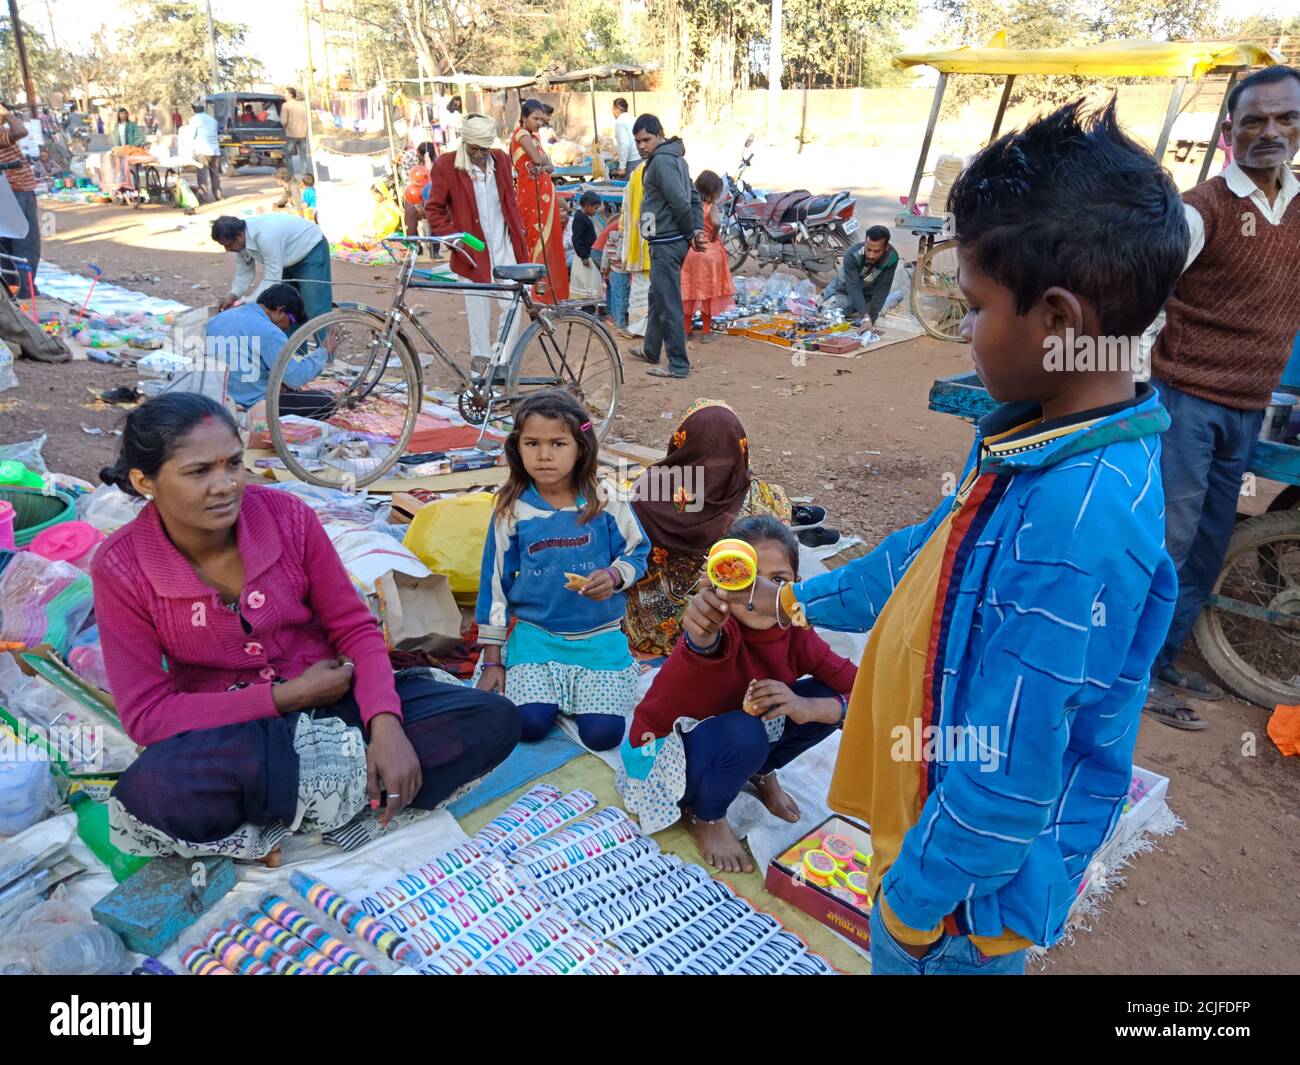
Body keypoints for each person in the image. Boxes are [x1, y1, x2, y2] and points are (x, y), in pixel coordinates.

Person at [685, 100, 1186, 975]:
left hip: (958, 907)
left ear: (1059, 321)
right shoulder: (1039, 433)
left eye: (975, 304)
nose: (961, 328)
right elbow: (933, 546)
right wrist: (796, 597)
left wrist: (914, 909)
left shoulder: (1074, 526)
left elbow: (1008, 765)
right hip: (937, 844)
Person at [91, 393, 519, 860]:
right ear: (144, 480)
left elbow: (354, 629)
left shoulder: (286, 517)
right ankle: (346, 800)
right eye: (199, 471)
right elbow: (147, 715)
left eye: (234, 463)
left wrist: (385, 725)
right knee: (151, 791)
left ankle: (324, 805)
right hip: (239, 732)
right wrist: (284, 698)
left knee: (491, 718)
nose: (226, 485)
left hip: (339, 707)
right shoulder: (122, 567)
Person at [1144, 65, 1300, 729]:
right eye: (1254, 120)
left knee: (1209, 540)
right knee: (1170, 539)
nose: (1270, 132)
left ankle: (1167, 656)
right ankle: (1137, 672)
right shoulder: (1199, 207)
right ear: (1228, 130)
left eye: (1285, 119)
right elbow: (1146, 294)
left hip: (1247, 403)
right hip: (1185, 398)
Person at [619, 516, 856, 867]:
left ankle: (760, 771)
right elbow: (703, 646)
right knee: (747, 731)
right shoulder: (717, 628)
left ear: (798, 586)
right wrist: (700, 635)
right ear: (720, 584)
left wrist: (813, 708)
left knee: (820, 698)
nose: (759, 597)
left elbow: (863, 689)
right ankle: (706, 815)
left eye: (779, 581)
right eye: (747, 580)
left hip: (728, 738)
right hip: (660, 753)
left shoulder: (797, 633)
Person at [475, 390, 649, 752]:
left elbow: (637, 552)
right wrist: (493, 661)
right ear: (516, 447)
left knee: (603, 736)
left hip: (599, 638)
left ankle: (589, 689)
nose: (543, 455)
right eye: (532, 443)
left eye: (557, 443)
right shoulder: (512, 510)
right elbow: (495, 585)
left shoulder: (606, 500)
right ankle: (541, 690)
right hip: (537, 636)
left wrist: (615, 576)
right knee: (528, 724)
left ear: (580, 447)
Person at [622, 399, 790, 657]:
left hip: (653, 627)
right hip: (740, 618)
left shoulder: (646, 493)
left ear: (683, 446)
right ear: (741, 449)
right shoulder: (767, 500)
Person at [425, 113, 529, 361]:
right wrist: (453, 238)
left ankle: (501, 363)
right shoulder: (447, 166)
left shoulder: (501, 160)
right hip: (472, 253)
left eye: (484, 149)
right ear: (466, 144)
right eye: (475, 149)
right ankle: (480, 372)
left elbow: (508, 203)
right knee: (479, 319)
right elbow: (434, 209)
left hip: (505, 246)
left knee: (514, 305)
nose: (481, 154)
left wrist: (519, 231)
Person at [625, 115, 704, 379]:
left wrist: (689, 231)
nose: (641, 146)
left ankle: (678, 365)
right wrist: (695, 229)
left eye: (646, 139)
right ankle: (650, 348)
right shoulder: (676, 159)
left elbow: (682, 201)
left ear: (660, 135)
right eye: (637, 142)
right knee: (656, 297)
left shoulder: (661, 162)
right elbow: (694, 197)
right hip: (669, 239)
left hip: (667, 241)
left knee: (668, 302)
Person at [204, 282, 329, 413]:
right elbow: (295, 378)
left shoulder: (216, 320)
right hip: (251, 405)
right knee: (326, 399)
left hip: (217, 400)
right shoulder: (270, 331)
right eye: (291, 321)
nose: (287, 327)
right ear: (280, 311)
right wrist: (324, 351)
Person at [212, 213, 333, 323]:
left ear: (239, 235)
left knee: (315, 307)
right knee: (285, 309)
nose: (228, 250)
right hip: (285, 258)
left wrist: (246, 301)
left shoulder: (266, 236)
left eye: (228, 245)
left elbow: (272, 279)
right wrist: (233, 294)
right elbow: (244, 272)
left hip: (310, 251)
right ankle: (294, 347)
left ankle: (325, 345)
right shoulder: (240, 242)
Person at [511, 99, 569, 303]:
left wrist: (542, 163)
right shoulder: (521, 134)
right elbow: (538, 160)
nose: (538, 122)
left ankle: (547, 292)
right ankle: (534, 292)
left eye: (541, 119)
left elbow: (550, 167)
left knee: (549, 240)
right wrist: (542, 163)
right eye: (535, 118)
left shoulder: (533, 136)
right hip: (531, 195)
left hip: (544, 194)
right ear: (524, 117)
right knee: (536, 239)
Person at [680, 170, 734, 344]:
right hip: (709, 252)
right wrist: (713, 235)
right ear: (714, 193)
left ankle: (686, 330)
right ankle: (706, 331)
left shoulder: (691, 205)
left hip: (692, 250)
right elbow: (717, 223)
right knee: (708, 293)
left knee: (689, 291)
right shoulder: (712, 208)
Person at [821, 224, 899, 329]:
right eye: (868, 249)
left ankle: (891, 299)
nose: (871, 255)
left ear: (886, 248)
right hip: (846, 289)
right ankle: (828, 297)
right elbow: (854, 287)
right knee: (823, 314)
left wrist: (870, 318)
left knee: (871, 310)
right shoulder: (852, 254)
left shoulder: (892, 257)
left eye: (876, 251)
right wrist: (865, 317)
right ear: (865, 243)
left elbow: (882, 290)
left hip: (868, 294)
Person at [0, 103, 41, 298]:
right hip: (16, 191)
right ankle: (24, 289)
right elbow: (20, 130)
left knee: (11, 244)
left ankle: (18, 287)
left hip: (14, 191)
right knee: (26, 245)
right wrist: (5, 112)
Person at [621, 156, 651, 338]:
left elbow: (626, 206)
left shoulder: (636, 173)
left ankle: (638, 327)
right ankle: (642, 328)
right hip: (648, 238)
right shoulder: (650, 171)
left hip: (636, 237)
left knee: (640, 287)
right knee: (646, 287)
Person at [568, 189, 603, 302]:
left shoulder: (583, 218)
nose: (596, 211)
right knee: (586, 288)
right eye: (595, 208)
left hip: (588, 256)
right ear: (588, 205)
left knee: (589, 287)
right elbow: (577, 239)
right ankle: (586, 313)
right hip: (584, 258)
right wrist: (583, 256)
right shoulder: (579, 219)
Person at [596, 213, 628, 329]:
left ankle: (614, 317)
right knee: (621, 297)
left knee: (615, 296)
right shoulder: (624, 238)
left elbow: (605, 253)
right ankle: (620, 323)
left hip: (613, 270)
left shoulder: (611, 236)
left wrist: (604, 267)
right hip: (621, 271)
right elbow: (621, 256)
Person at [186, 102, 222, 203]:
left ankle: (203, 197)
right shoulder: (212, 120)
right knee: (215, 173)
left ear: (194, 109)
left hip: (202, 150)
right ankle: (218, 195)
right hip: (215, 150)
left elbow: (191, 136)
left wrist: (190, 150)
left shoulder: (194, 120)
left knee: (202, 174)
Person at [282, 87, 311, 176]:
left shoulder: (286, 105)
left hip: (291, 134)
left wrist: (286, 127)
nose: (284, 95)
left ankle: (291, 175)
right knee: (303, 156)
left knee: (288, 154)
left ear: (291, 95)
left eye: (285, 93)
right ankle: (305, 175)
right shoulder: (302, 105)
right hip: (303, 134)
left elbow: (283, 121)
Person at [612, 97, 636, 178]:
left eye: (613, 109)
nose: (612, 112)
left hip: (631, 162)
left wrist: (622, 167)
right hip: (639, 159)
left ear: (617, 109)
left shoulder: (620, 122)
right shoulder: (633, 118)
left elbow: (625, 144)